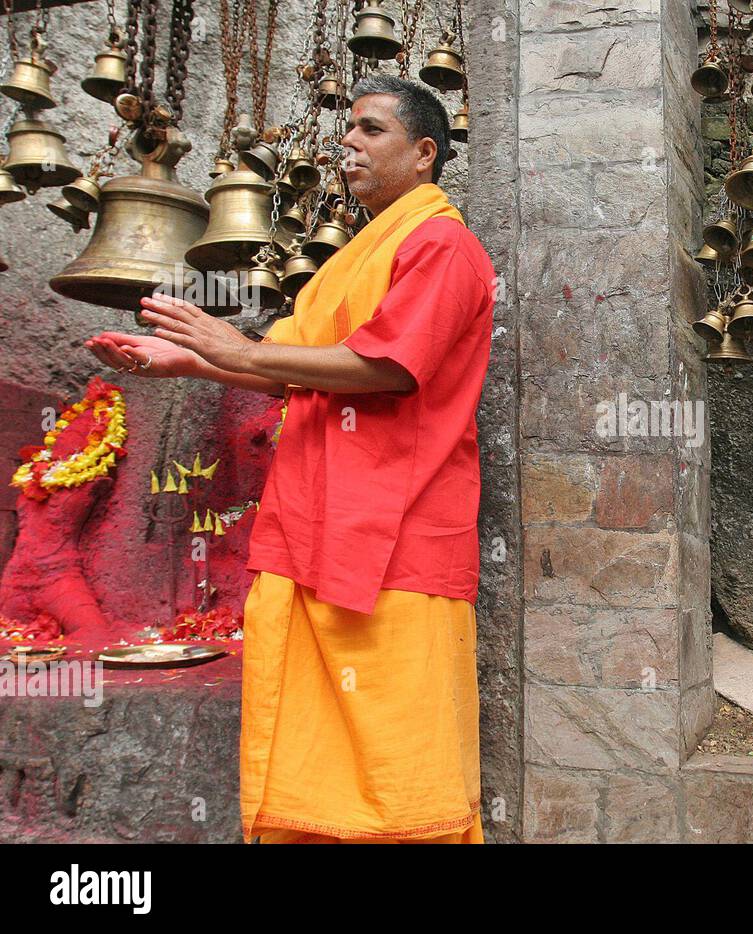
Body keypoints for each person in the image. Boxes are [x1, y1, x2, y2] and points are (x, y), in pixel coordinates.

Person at [85, 75, 495, 844]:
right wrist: (192, 362)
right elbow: (288, 364)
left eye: (372, 131)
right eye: (349, 131)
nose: (349, 145)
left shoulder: (442, 244)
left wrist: (232, 346)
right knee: (310, 766)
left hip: (397, 541)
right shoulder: (353, 257)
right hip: (314, 528)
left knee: (398, 780)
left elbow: (390, 367)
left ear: (425, 153)